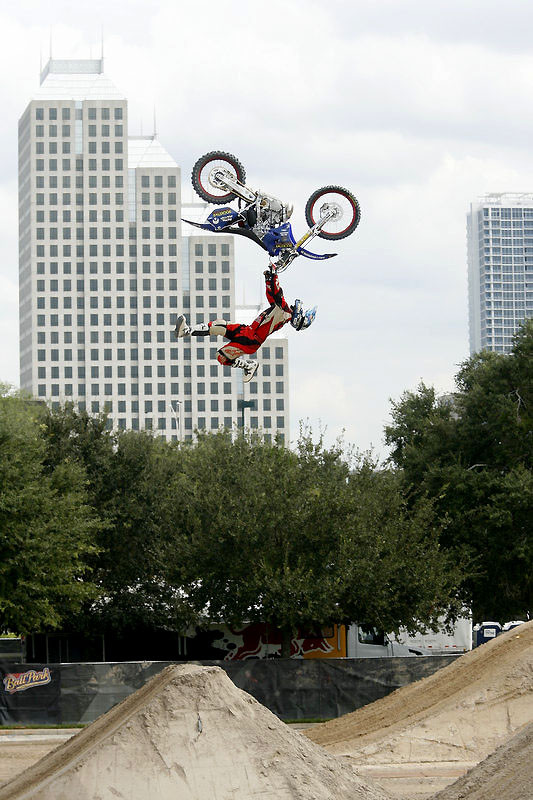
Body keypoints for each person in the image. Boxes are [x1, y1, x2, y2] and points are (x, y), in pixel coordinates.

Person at [174, 268, 316, 381]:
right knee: (219, 324)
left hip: (251, 340)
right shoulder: (282, 310)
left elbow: (278, 294)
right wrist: (268, 278)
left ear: (299, 318)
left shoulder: (286, 313)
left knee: (221, 356)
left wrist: (274, 274)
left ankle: (249, 366)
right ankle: (186, 330)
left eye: (302, 313)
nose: (299, 308)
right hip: (248, 331)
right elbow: (272, 296)